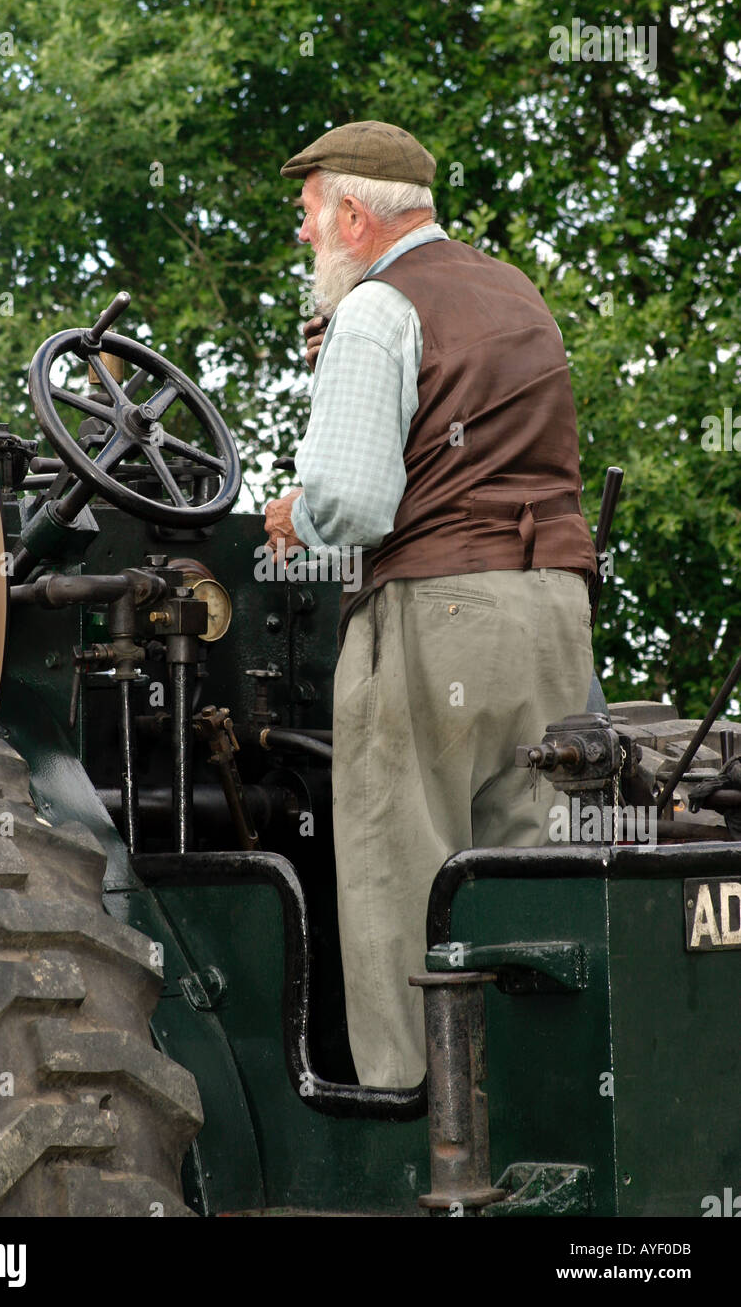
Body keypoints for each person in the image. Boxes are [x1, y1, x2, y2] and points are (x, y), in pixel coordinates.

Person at [264, 121, 596, 1089]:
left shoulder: (375, 311)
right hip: (551, 619)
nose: (302, 238)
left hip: (432, 617)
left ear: (354, 217)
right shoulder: (518, 297)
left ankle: (417, 1154)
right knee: (521, 895)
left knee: (398, 895)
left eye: (307, 216)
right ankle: (532, 1131)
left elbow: (355, 503)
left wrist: (294, 516)